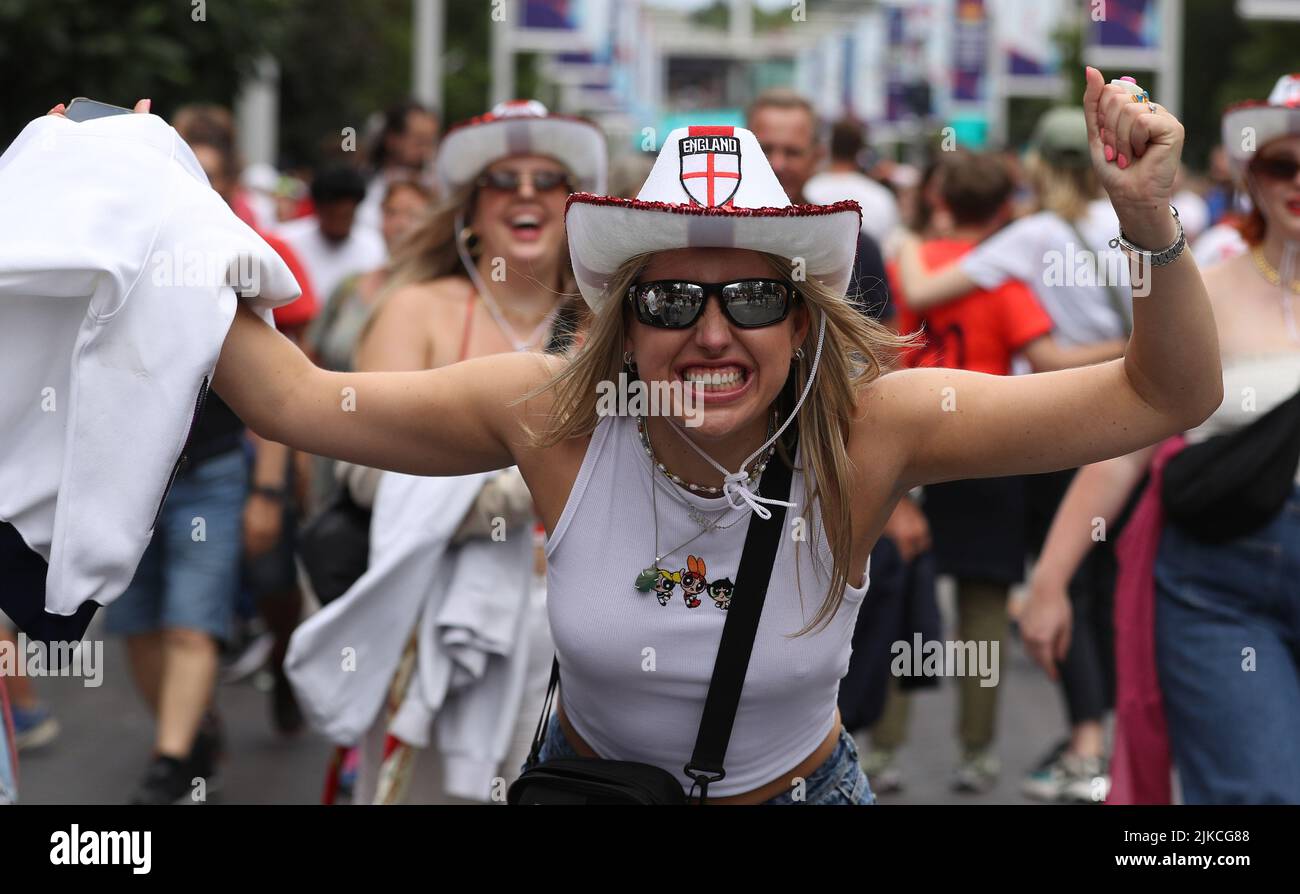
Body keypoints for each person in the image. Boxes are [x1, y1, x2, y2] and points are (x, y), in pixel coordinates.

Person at [1021, 74, 1300, 805]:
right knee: (1257, 794)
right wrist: (1050, 580)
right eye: (1282, 165)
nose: (1299, 183)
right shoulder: (1203, 282)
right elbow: (1129, 436)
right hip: (1220, 579)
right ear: (1250, 174)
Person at [326, 99, 603, 803]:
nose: (527, 194)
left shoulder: (610, 325)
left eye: (548, 179)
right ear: (470, 210)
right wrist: (514, 494)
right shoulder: (414, 308)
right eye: (502, 181)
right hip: (431, 611)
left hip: (584, 626)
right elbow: (363, 463)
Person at [879, 150, 1124, 793]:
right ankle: (977, 752)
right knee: (985, 602)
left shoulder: (905, 267)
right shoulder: (1002, 278)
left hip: (903, 440)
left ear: (939, 201)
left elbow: (880, 346)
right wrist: (1138, 348)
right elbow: (1046, 359)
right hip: (984, 447)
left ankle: (882, 747)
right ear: (1003, 210)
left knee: (900, 598)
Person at [747, 89, 892, 321]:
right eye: (765, 149)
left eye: (792, 152)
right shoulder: (710, 239)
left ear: (817, 157)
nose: (777, 164)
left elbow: (884, 351)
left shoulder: (856, 247)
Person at [277, 165, 387, 303]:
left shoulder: (373, 245)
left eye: (345, 215)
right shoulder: (286, 241)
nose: (338, 223)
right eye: (332, 215)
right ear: (318, 209)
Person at [805, 118, 900, 248]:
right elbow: (889, 249)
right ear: (859, 150)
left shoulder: (809, 190)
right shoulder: (880, 196)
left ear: (830, 147)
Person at [355, 101, 439, 235]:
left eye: (431, 141)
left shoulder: (440, 191)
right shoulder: (364, 189)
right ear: (392, 139)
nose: (427, 151)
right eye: (419, 140)